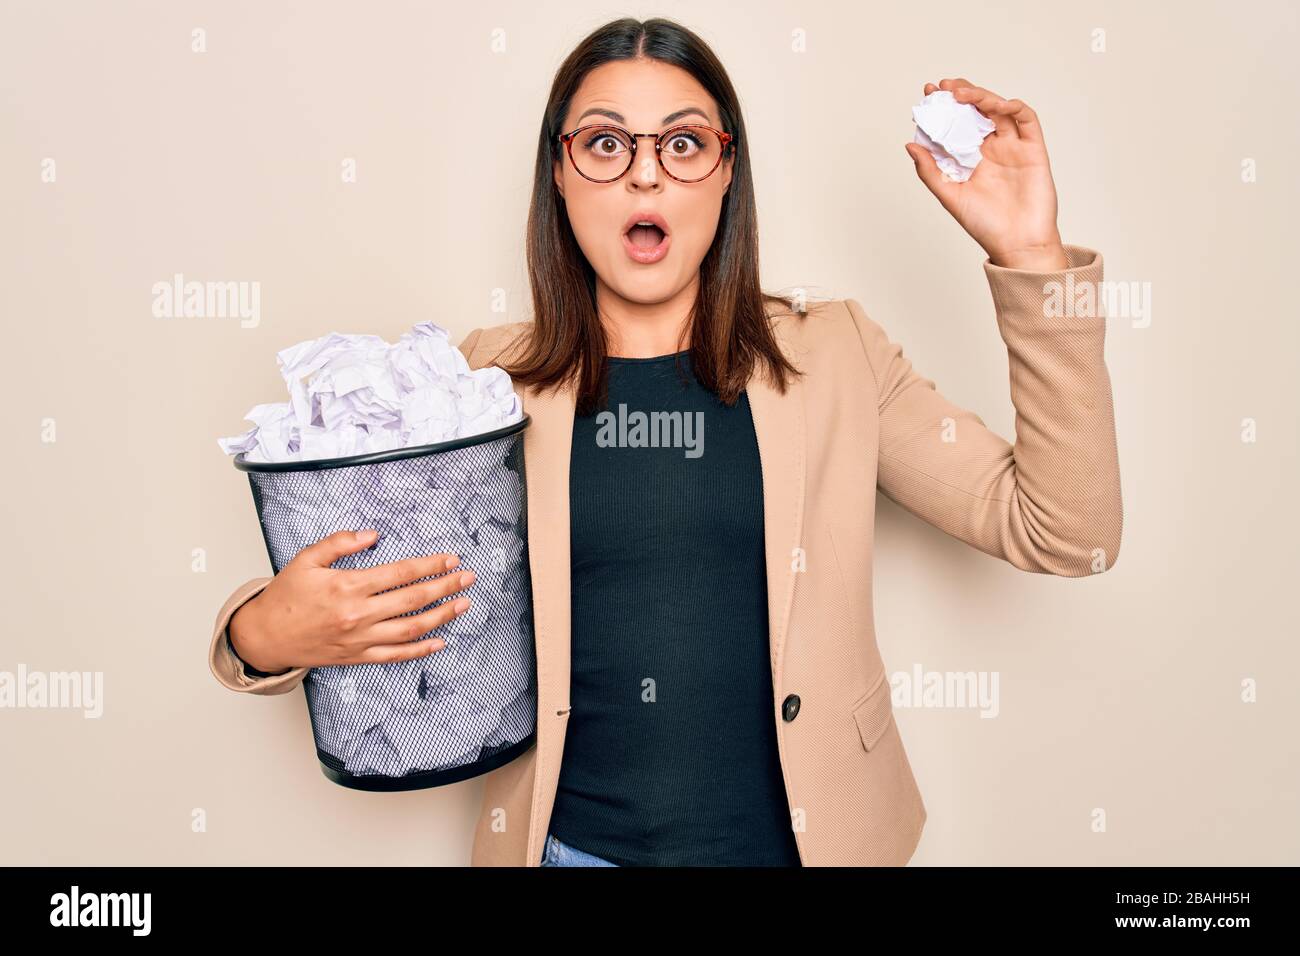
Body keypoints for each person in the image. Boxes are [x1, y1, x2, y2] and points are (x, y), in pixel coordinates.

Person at [208, 17, 1122, 867]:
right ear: (558, 174)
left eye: (683, 144)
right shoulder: (479, 385)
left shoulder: (835, 351)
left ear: (728, 172)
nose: (645, 175)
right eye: (606, 144)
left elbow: (1067, 530)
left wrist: (1036, 262)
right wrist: (263, 635)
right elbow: (352, 572)